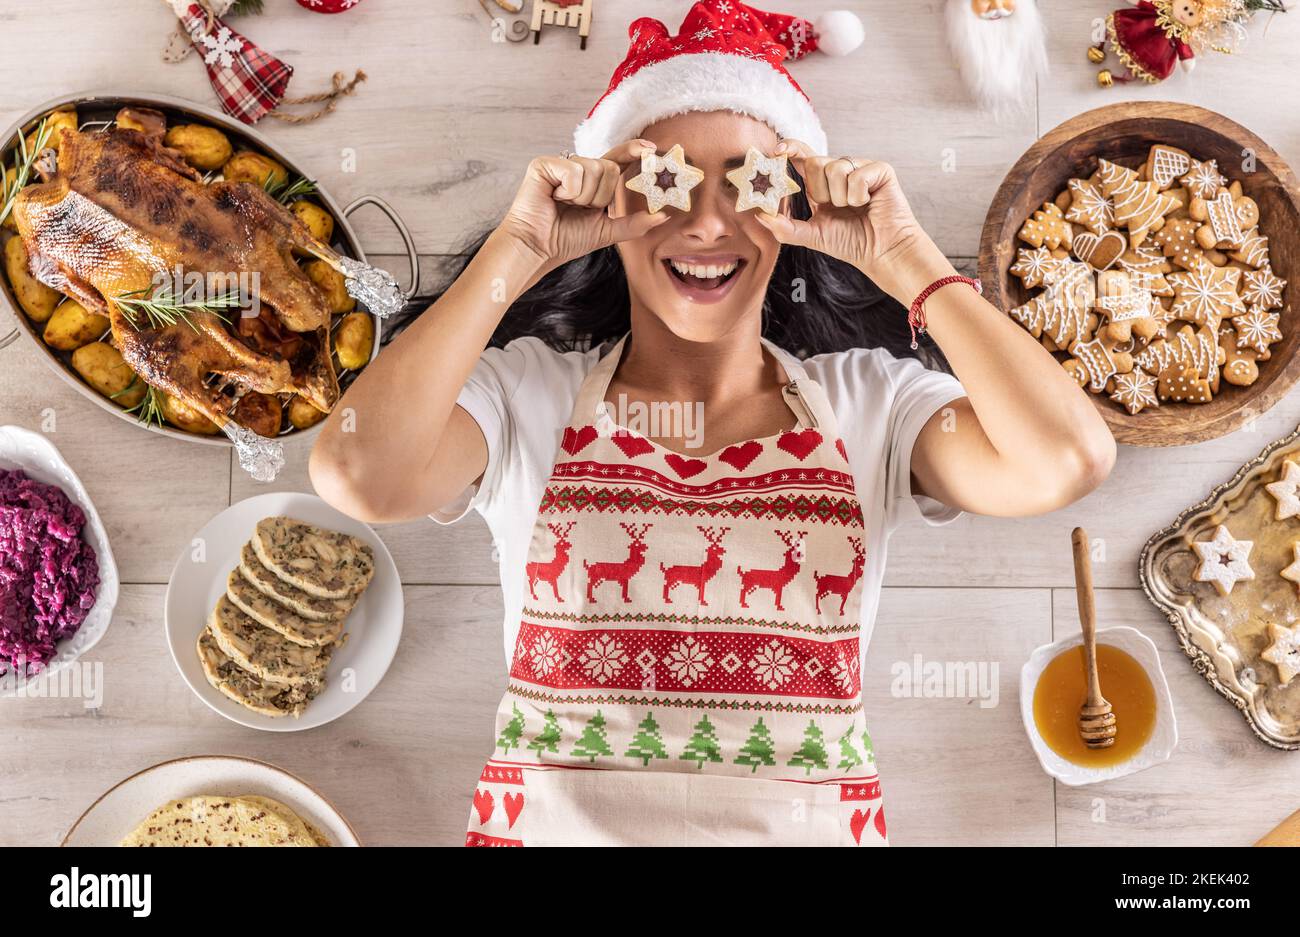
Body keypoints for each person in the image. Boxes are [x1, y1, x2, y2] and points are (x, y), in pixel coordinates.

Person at [310, 0, 1115, 846]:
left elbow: (1066, 458)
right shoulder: (525, 400)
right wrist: (518, 249)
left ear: (793, 206)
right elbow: (358, 474)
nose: (704, 223)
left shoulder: (873, 407)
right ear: (612, 205)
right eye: (670, 182)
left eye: (744, 183)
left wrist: (904, 257)